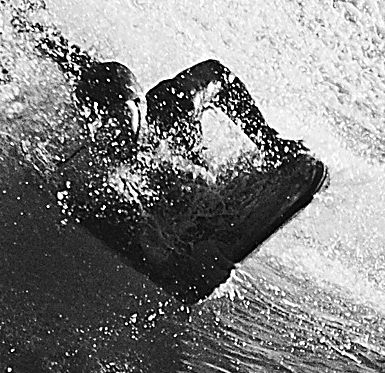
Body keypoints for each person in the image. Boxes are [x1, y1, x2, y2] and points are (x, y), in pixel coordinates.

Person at [45, 42, 328, 304]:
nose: (116, 134)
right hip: (170, 223)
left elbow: (217, 74)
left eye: (121, 120)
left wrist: (269, 141)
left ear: (141, 105)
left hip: (209, 191)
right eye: (105, 126)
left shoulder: (171, 106)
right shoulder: (95, 167)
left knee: (187, 181)